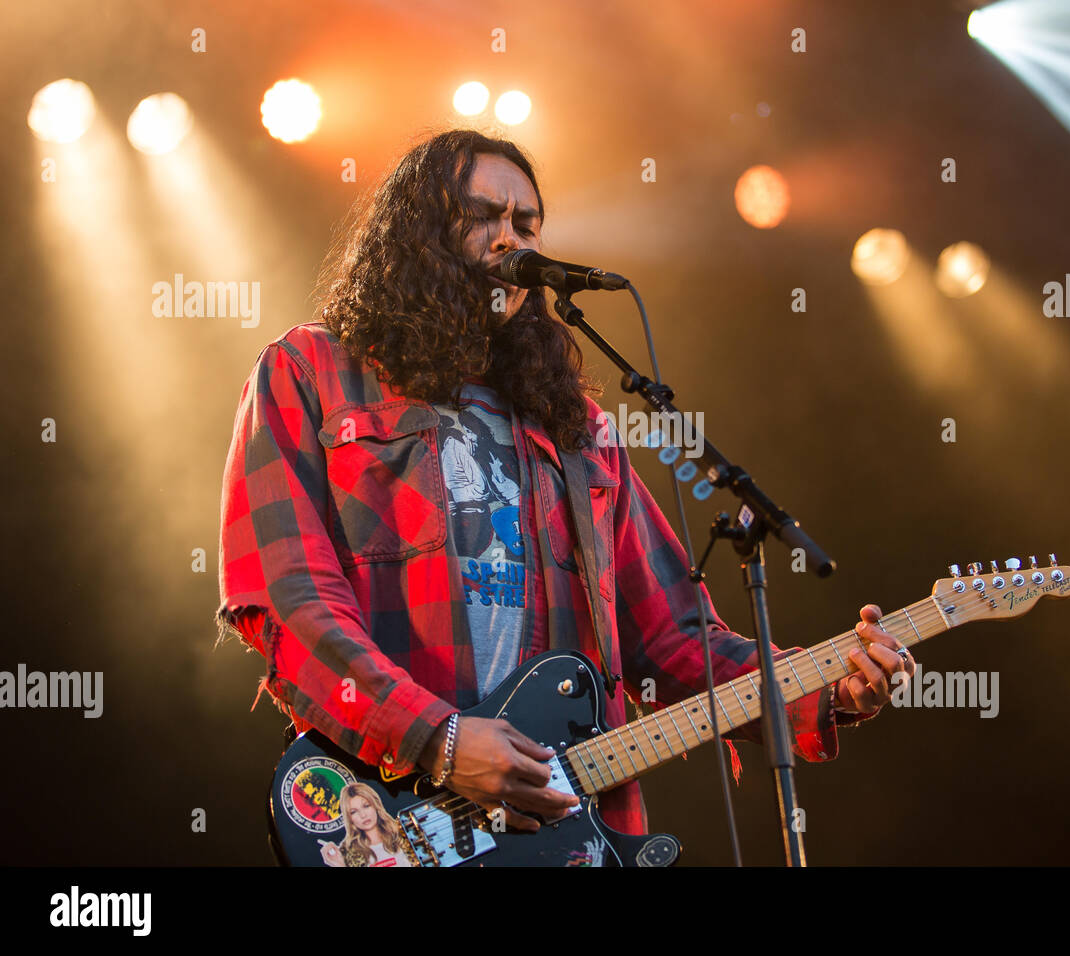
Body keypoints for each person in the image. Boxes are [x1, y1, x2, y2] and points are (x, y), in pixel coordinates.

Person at [215, 128, 913, 843]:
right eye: (480, 215)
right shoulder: (311, 372)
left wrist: (827, 681)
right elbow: (289, 597)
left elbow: (673, 637)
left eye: (525, 224)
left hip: (570, 836)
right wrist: (440, 740)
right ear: (416, 234)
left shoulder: (574, 425)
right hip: (392, 818)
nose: (507, 240)